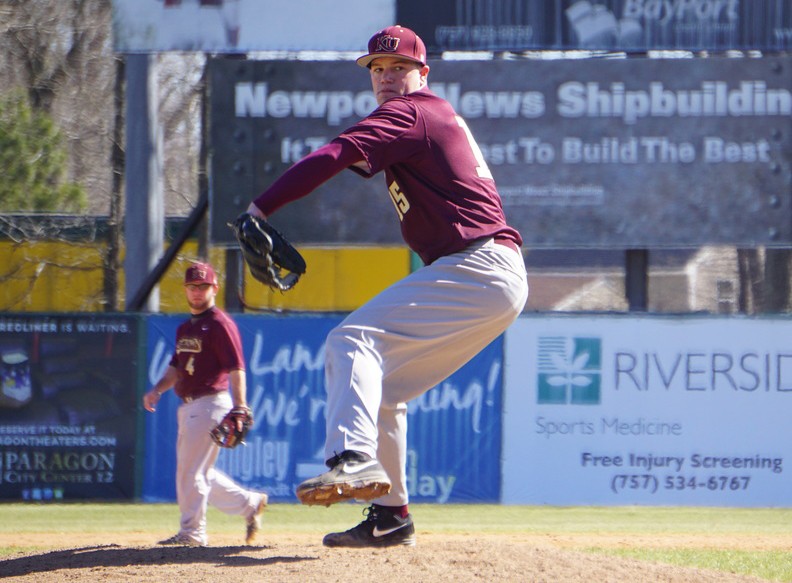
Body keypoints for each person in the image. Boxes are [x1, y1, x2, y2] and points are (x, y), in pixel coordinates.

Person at [246, 25, 528, 548]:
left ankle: (350, 458)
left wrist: (259, 208)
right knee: (383, 393)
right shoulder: (420, 119)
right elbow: (347, 157)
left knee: (352, 340)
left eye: (398, 67)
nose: (386, 77)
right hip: (487, 273)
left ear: (423, 73)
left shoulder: (413, 111)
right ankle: (390, 517)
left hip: (478, 266)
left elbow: (332, 155)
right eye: (377, 68)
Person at [143, 261, 267, 547]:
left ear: (215, 288)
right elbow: (176, 367)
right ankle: (250, 504)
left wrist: (241, 406)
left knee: (190, 472)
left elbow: (237, 368)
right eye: (192, 286)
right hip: (188, 405)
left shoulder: (220, 324)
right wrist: (157, 390)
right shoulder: (186, 327)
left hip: (210, 403)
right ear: (186, 290)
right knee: (200, 472)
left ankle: (192, 533)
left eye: (203, 286)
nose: (197, 292)